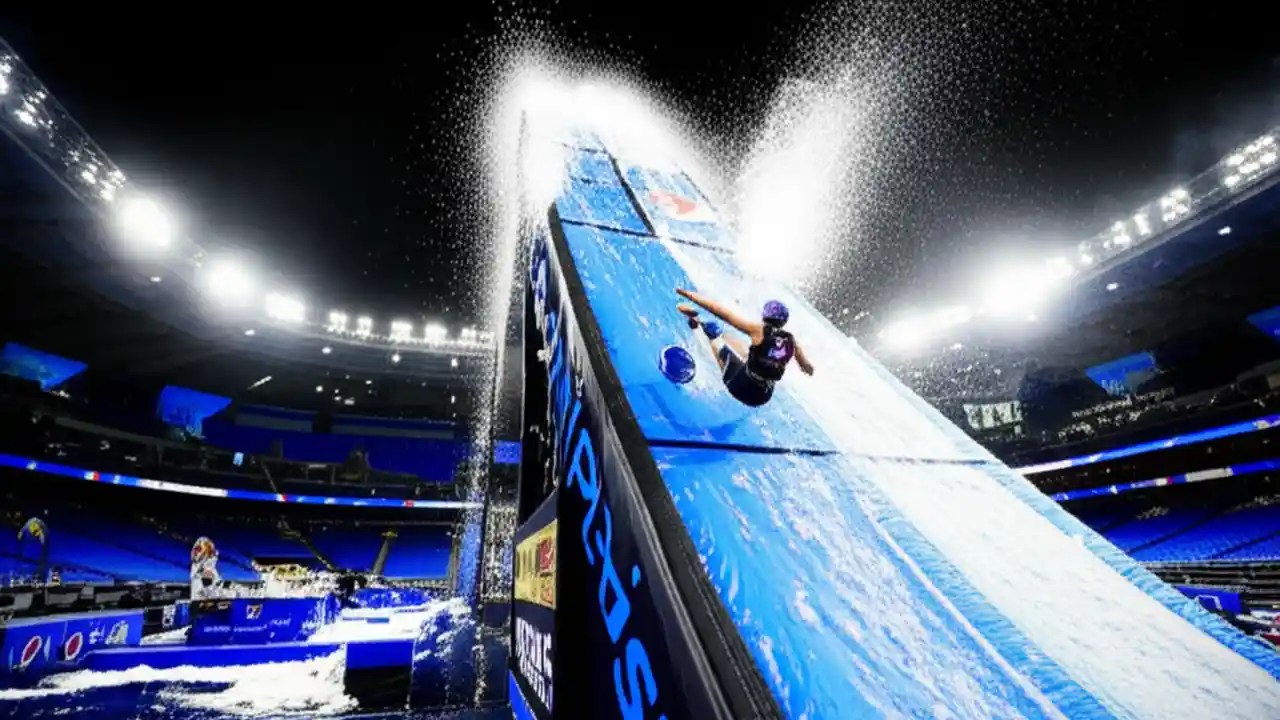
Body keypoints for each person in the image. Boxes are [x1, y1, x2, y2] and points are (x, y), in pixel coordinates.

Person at [675, 287, 814, 407]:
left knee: (720, 345)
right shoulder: (791, 340)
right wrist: (807, 367)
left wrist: (690, 295)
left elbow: (721, 313)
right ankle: (711, 331)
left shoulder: (757, 330)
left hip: (741, 387)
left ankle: (701, 326)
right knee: (753, 354)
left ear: (764, 315)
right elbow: (806, 367)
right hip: (763, 396)